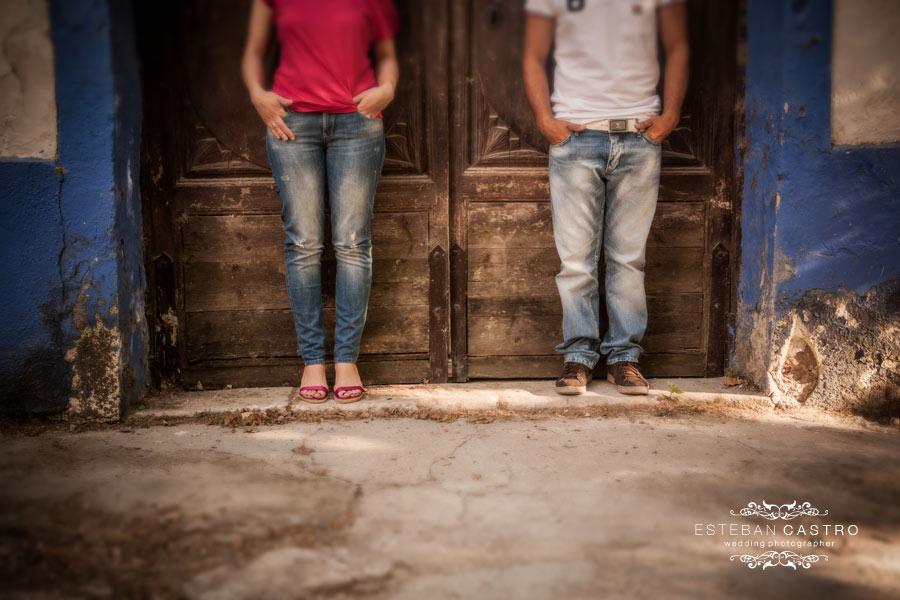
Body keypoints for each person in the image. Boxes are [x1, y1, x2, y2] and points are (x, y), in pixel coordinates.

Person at [522, 0, 688, 395]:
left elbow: (678, 45)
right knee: (576, 260)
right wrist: (545, 119)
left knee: (628, 258)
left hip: (640, 136)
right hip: (576, 136)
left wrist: (671, 115)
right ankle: (578, 357)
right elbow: (533, 53)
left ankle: (624, 359)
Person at [242, 0, 399, 403]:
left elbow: (385, 55)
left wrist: (387, 89)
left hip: (358, 124)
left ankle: (346, 359)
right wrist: (259, 96)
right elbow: (254, 53)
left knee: (351, 242)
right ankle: (313, 360)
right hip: (292, 123)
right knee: (304, 243)